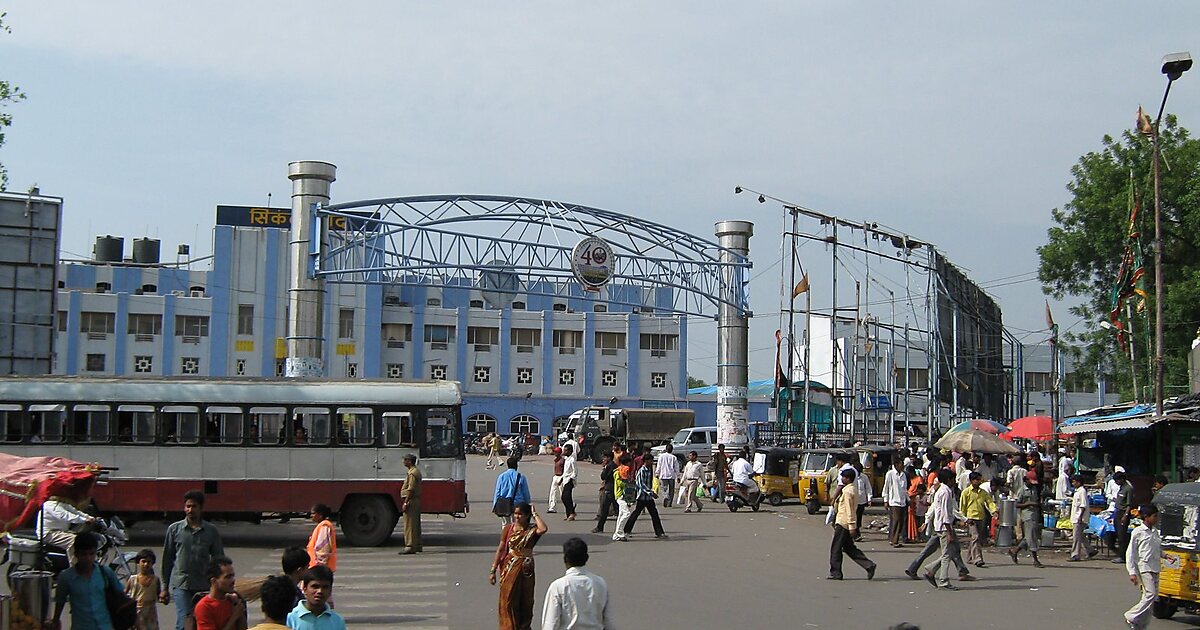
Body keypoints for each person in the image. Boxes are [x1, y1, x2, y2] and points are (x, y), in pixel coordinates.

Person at [161, 490, 225, 630]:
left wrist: (221, 586)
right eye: (188, 506)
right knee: (184, 621)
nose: (190, 510)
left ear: (201, 508)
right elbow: (167, 559)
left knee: (201, 622)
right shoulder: (174, 529)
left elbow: (219, 560)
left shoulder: (211, 531)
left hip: (203, 585)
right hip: (181, 585)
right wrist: (164, 588)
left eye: (194, 506)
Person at [46, 531, 125, 630]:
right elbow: (60, 603)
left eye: (92, 554)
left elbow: (121, 595)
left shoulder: (105, 573)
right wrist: (54, 622)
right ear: (76, 554)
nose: (88, 558)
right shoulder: (66, 577)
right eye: (84, 554)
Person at [490, 503, 548, 630]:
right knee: (508, 600)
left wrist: (535, 513)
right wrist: (493, 569)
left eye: (520, 514)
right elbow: (500, 549)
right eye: (515, 513)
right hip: (510, 566)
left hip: (526, 568)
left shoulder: (531, 530)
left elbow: (543, 529)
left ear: (527, 515)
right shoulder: (508, 529)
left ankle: (524, 627)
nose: (517, 516)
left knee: (526, 600)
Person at [541, 537, 614, 630]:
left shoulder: (558, 586)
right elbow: (608, 621)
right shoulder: (600, 583)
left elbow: (550, 623)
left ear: (565, 559)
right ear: (586, 558)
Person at [827, 468, 876, 580]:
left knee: (836, 548)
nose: (842, 479)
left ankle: (836, 572)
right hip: (844, 522)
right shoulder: (853, 489)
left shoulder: (848, 492)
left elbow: (850, 510)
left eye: (843, 477)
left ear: (848, 479)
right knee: (849, 548)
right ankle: (868, 565)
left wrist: (851, 526)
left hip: (843, 523)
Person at [38, 483, 100, 564]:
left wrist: (89, 517)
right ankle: (76, 567)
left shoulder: (63, 504)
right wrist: (83, 520)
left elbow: (76, 512)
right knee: (75, 541)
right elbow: (65, 515)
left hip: (61, 532)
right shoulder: (50, 505)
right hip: (49, 533)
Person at [920, 469, 961, 590]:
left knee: (952, 550)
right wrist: (949, 531)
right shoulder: (945, 492)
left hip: (941, 525)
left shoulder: (942, 490)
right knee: (947, 554)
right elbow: (945, 513)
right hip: (944, 527)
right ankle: (943, 579)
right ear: (949, 480)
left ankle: (932, 569)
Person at [1124, 503, 1162, 630]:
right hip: (1144, 567)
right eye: (1154, 516)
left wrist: (1166, 556)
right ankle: (1131, 615)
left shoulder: (1156, 532)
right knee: (1150, 594)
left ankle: (1141, 625)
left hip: (1155, 567)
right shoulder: (1138, 532)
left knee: (1151, 599)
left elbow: (1156, 548)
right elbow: (1131, 553)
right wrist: (1132, 572)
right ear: (1146, 517)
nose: (1156, 519)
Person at [193, 556, 248, 630]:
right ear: (214, 581)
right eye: (228, 577)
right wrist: (234, 616)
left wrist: (240, 612)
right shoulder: (204, 606)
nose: (233, 581)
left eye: (232, 576)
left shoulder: (232, 601)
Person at [287, 565, 345, 630]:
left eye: (325, 587)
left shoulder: (337, 621)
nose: (320, 591)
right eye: (315, 586)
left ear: (330, 590)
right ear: (304, 589)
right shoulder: (291, 619)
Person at [623, 454, 667, 539]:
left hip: (648, 498)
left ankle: (659, 532)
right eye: (650, 460)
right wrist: (651, 492)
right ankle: (626, 530)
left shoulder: (649, 470)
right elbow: (640, 484)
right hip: (642, 497)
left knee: (654, 514)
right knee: (635, 514)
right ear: (646, 461)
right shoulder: (641, 471)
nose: (651, 462)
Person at [959, 472, 996, 567]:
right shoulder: (966, 492)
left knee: (975, 539)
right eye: (977, 480)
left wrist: (994, 511)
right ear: (972, 481)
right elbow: (962, 506)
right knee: (975, 537)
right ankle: (978, 559)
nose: (979, 482)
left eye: (980, 480)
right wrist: (963, 519)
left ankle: (970, 558)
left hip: (981, 517)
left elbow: (989, 502)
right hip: (971, 518)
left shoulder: (983, 492)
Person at [1009, 469, 1045, 568]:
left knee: (1029, 536)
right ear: (1026, 480)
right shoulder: (1022, 490)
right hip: (1027, 516)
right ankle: (1035, 560)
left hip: (1035, 515)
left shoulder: (1034, 489)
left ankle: (1015, 550)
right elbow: (1017, 504)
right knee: (1032, 538)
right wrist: (1029, 503)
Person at [126, 548, 163, 630]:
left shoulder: (155, 580)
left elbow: (158, 594)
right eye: (143, 561)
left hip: (151, 612)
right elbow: (124, 595)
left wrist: (163, 597)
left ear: (152, 563)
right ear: (138, 562)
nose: (146, 564)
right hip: (137, 612)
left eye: (149, 562)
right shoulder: (133, 579)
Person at [494, 456, 532, 526]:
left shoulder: (501, 476)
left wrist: (495, 505)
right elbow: (525, 492)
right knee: (516, 524)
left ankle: (506, 536)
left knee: (505, 524)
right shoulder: (521, 477)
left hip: (504, 503)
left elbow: (497, 492)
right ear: (516, 465)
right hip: (518, 504)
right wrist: (528, 504)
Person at [1068, 474, 1098, 561]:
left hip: (1079, 518)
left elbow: (1083, 505)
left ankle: (1075, 555)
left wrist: (1080, 517)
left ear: (1078, 482)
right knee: (1080, 535)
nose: (1073, 483)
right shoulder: (1077, 491)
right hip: (1076, 517)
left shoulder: (1082, 491)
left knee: (1076, 537)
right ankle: (1090, 550)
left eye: (1074, 482)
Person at [400, 453, 423, 554]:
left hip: (411, 500)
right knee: (415, 524)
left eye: (405, 460)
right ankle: (417, 545)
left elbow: (411, 489)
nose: (403, 462)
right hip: (415, 500)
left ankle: (410, 546)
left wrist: (405, 502)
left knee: (409, 525)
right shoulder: (414, 471)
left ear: (409, 461)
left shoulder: (412, 473)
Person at [883, 459, 908, 547]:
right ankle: (894, 540)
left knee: (901, 521)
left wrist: (907, 499)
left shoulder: (903, 474)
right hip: (894, 501)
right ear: (896, 465)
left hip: (902, 501)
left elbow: (904, 489)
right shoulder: (890, 474)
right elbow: (886, 487)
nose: (903, 466)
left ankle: (894, 538)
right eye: (901, 464)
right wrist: (886, 500)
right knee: (896, 520)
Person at [591, 452, 618, 533]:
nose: (603, 459)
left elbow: (604, 476)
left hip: (610, 489)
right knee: (616, 509)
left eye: (604, 457)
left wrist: (604, 468)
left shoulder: (610, 466)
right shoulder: (612, 465)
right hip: (612, 488)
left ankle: (600, 527)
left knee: (605, 509)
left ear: (609, 457)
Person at [1112, 470, 1134, 564]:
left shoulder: (1128, 489)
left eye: (1117, 480)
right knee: (1117, 534)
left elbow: (1129, 505)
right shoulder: (1121, 488)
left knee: (1122, 536)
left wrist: (1125, 516)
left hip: (1123, 513)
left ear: (1121, 479)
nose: (1116, 483)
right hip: (1117, 512)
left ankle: (1123, 556)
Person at [305, 504, 337, 570]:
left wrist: (320, 567)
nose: (311, 516)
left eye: (313, 513)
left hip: (320, 568)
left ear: (320, 515)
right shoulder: (321, 526)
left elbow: (323, 549)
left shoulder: (324, 526)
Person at [612, 454, 635, 542]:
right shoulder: (617, 472)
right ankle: (620, 533)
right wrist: (627, 483)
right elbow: (619, 483)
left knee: (621, 514)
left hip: (624, 496)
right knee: (626, 513)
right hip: (620, 495)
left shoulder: (623, 471)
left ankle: (617, 534)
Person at [853, 461, 872, 537]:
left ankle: (857, 530)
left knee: (859, 516)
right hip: (854, 501)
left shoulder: (864, 477)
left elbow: (868, 488)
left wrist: (869, 499)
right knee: (854, 516)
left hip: (861, 501)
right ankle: (855, 533)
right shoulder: (852, 477)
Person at [561, 443, 578, 521]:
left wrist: (571, 478)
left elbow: (575, 471)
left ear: (570, 451)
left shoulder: (572, 459)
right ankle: (569, 513)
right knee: (565, 497)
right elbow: (565, 471)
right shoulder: (566, 459)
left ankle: (572, 513)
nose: (564, 451)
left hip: (569, 480)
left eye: (566, 450)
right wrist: (561, 479)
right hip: (565, 479)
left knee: (566, 496)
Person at [548, 447, 565, 514]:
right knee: (552, 493)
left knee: (563, 494)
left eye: (556, 452)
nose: (554, 453)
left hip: (561, 476)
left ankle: (571, 505)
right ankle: (552, 508)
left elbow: (565, 470)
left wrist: (562, 478)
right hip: (555, 476)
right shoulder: (556, 460)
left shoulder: (562, 460)